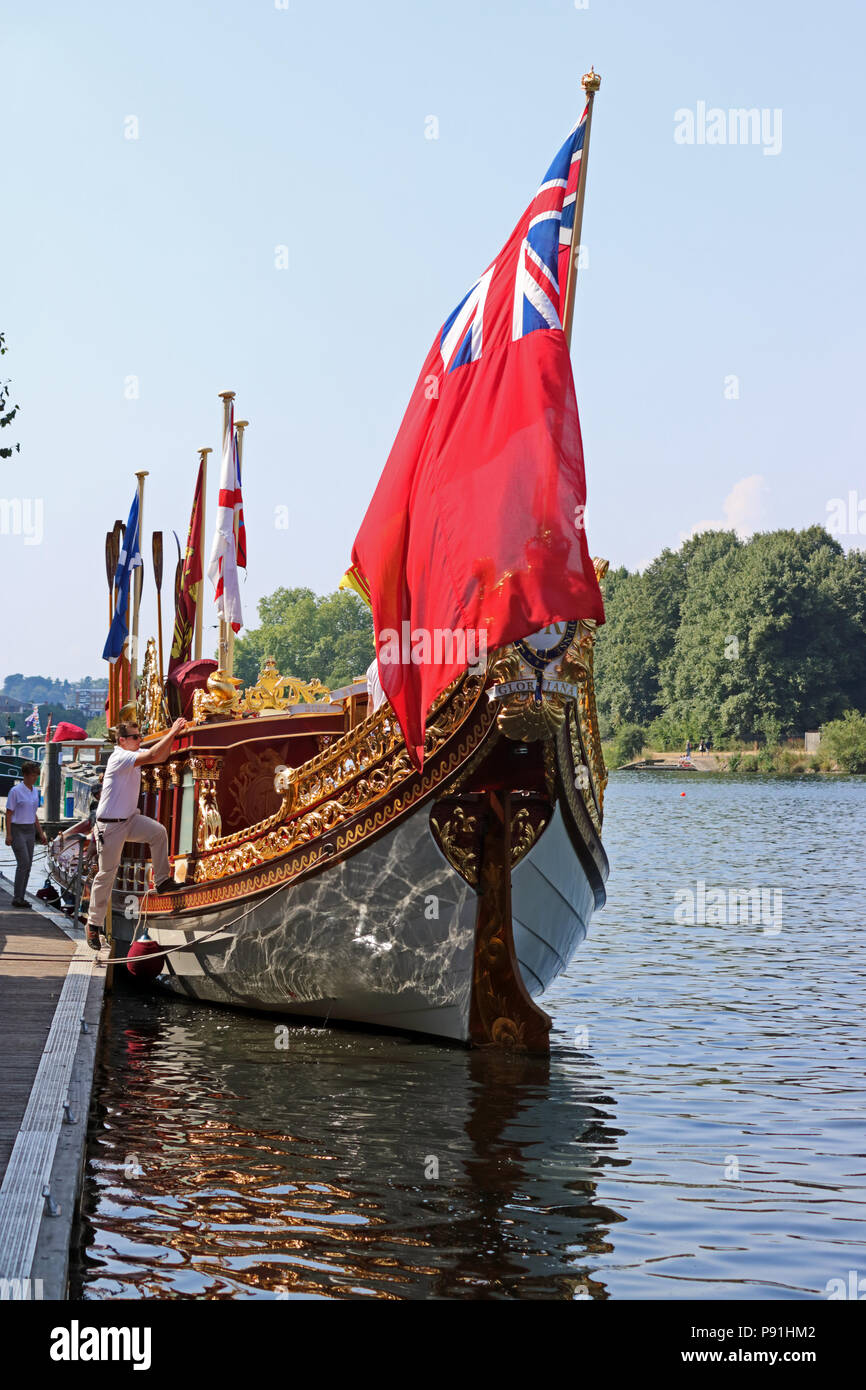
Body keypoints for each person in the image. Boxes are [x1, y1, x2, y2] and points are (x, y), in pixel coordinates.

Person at [85, 716, 187, 950]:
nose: (139, 739)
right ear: (122, 740)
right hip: (110, 825)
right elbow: (152, 755)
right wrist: (172, 731)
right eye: (135, 737)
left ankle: (162, 881)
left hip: (128, 819)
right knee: (107, 874)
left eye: (139, 736)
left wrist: (172, 735)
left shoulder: (132, 754)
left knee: (158, 832)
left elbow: (159, 756)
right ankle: (93, 924)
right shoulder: (121, 756)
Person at [4, 759, 47, 906]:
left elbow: (33, 814)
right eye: (32, 775)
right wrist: (8, 834)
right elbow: (8, 814)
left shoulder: (35, 791)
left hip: (30, 829)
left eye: (36, 775)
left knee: (28, 866)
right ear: (25, 775)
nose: (34, 778)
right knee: (24, 862)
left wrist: (41, 833)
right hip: (17, 829)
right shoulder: (15, 791)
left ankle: (21, 897)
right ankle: (17, 897)